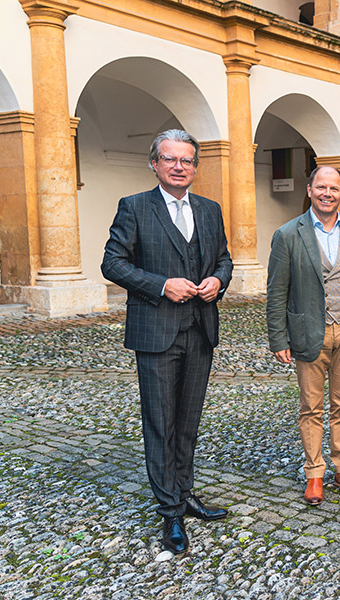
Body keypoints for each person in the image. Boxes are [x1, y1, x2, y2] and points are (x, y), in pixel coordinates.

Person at [101, 129, 233, 555]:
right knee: (161, 423)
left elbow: (225, 259)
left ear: (195, 166)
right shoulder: (135, 207)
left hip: (199, 330)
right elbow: (112, 263)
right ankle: (170, 511)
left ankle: (184, 491)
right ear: (154, 163)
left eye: (188, 160)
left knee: (188, 421)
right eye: (171, 159)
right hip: (156, 333)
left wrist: (218, 280)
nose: (180, 167)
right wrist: (160, 286)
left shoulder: (210, 210)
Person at [266, 165, 340, 506]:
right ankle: (314, 473)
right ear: (310, 189)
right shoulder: (287, 234)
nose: (328, 193)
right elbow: (276, 292)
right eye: (321, 187)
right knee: (310, 407)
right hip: (307, 331)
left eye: (334, 188)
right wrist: (278, 339)